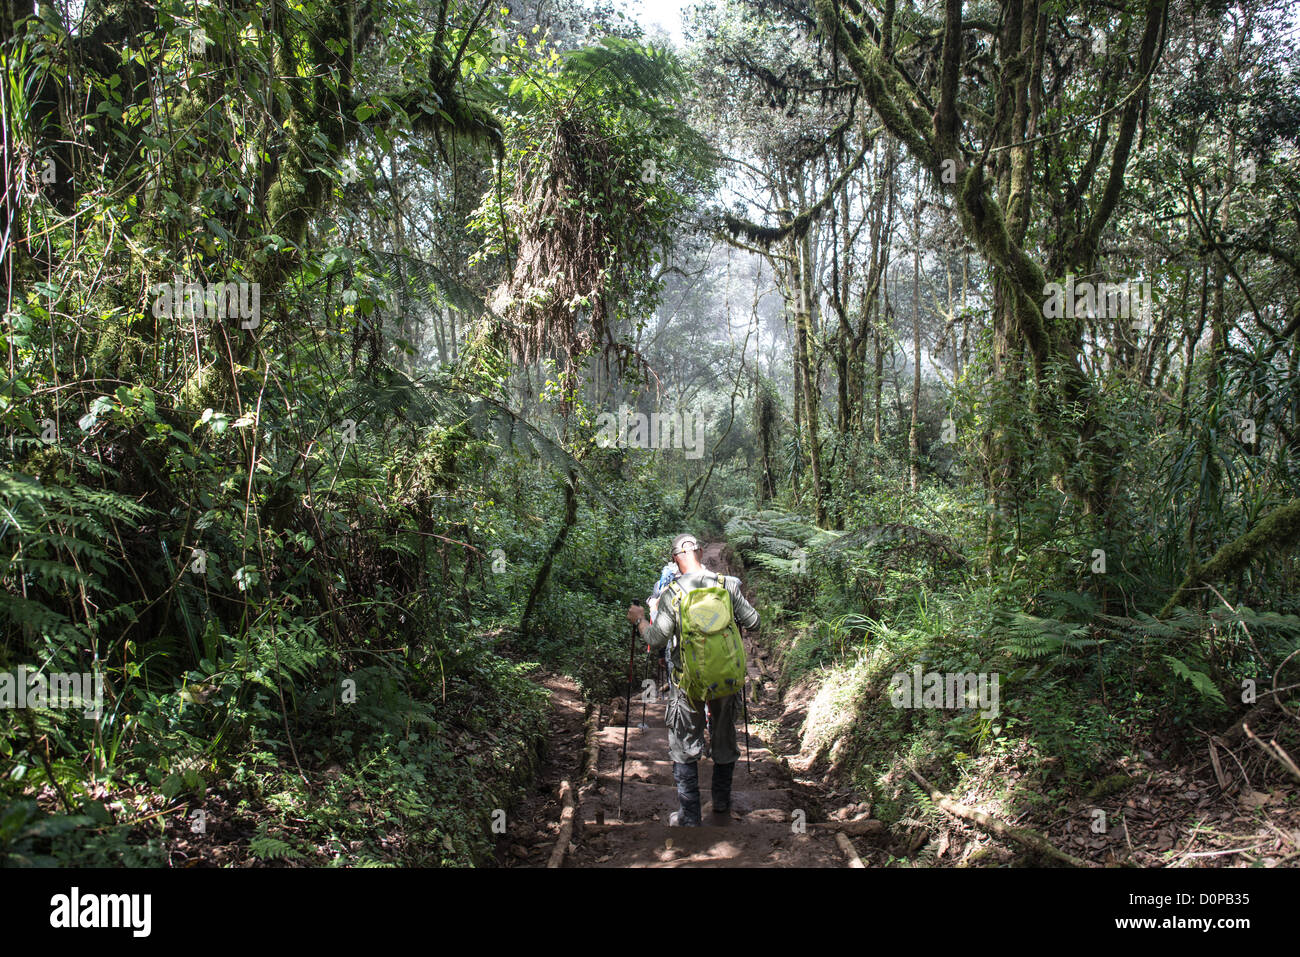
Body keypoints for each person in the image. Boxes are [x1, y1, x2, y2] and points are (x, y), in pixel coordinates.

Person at [626, 533, 760, 826]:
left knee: (684, 743)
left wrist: (639, 619)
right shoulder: (728, 585)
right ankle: (722, 803)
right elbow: (754, 622)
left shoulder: (672, 593)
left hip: (688, 682)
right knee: (724, 736)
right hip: (726, 679)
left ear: (675, 559)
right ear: (700, 552)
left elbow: (656, 638)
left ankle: (689, 815)